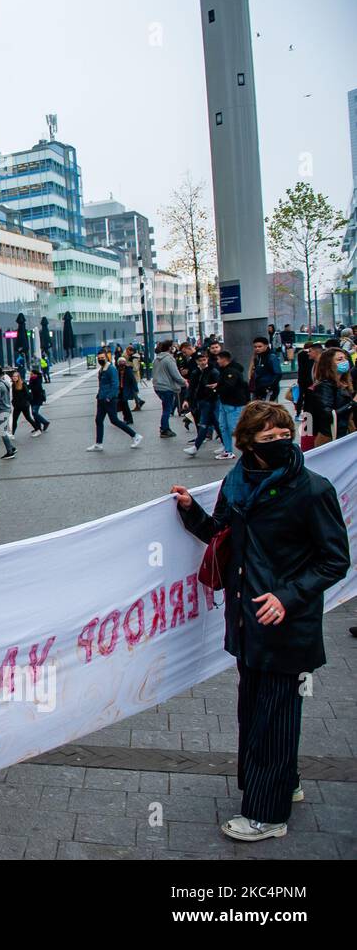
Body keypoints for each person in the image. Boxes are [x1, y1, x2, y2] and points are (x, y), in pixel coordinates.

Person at [170, 402, 348, 842]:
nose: (281, 443)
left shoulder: (312, 489)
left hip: (287, 622)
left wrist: (288, 596)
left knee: (275, 714)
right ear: (246, 444)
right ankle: (282, 783)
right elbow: (222, 535)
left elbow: (334, 560)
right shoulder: (236, 484)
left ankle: (268, 816)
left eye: (284, 433)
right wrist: (192, 510)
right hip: (246, 619)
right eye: (268, 438)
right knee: (256, 712)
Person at [86, 353, 143, 452]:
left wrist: (109, 397)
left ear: (106, 358)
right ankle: (98, 443)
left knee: (114, 420)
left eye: (102, 358)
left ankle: (135, 435)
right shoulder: (102, 369)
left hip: (108, 399)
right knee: (99, 420)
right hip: (102, 399)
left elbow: (115, 384)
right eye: (99, 358)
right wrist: (99, 396)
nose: (100, 360)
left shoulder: (111, 369)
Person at [304, 347, 354, 446]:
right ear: (329, 364)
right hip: (330, 437)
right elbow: (327, 415)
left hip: (344, 433)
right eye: (340, 359)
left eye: (345, 358)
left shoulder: (344, 383)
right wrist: (353, 403)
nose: (345, 361)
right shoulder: (324, 386)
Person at [212, 349, 250, 459]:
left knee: (234, 428)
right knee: (224, 427)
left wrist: (217, 389)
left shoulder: (231, 371)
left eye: (218, 359)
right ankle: (228, 450)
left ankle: (249, 449)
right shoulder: (225, 370)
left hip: (234, 403)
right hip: (225, 403)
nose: (217, 361)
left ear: (224, 359)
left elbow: (229, 386)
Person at [184, 350, 223, 457]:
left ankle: (196, 446)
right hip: (202, 401)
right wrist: (187, 399)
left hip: (210, 401)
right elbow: (191, 388)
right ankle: (225, 445)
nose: (202, 362)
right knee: (215, 424)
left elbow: (217, 386)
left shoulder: (213, 372)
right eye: (200, 360)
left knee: (204, 423)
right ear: (197, 361)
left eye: (204, 360)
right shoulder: (196, 373)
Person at [152, 340, 186, 439]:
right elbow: (175, 374)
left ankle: (165, 428)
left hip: (158, 386)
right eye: (173, 346)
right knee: (167, 409)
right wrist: (184, 382)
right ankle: (164, 429)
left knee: (166, 407)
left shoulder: (156, 359)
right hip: (166, 387)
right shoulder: (169, 359)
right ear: (170, 348)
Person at [0, 366, 17, 459]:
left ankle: (10, 451)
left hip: (1, 410)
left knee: (2, 431)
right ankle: (11, 448)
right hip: (7, 408)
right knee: (2, 430)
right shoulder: (5, 383)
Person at [249, 336, 282, 402]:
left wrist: (269, 387)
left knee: (266, 409)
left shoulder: (271, 357)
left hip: (268, 390)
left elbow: (278, 374)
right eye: (255, 347)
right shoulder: (258, 357)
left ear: (266, 346)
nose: (257, 349)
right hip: (259, 389)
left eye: (259, 346)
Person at [27, 369, 51, 435]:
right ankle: (38, 428)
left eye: (31, 374)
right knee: (34, 414)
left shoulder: (37, 380)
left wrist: (29, 387)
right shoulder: (32, 380)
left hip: (37, 399)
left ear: (35, 374)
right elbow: (30, 387)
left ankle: (45, 422)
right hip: (32, 399)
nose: (30, 375)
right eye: (30, 374)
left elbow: (36, 389)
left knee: (34, 412)